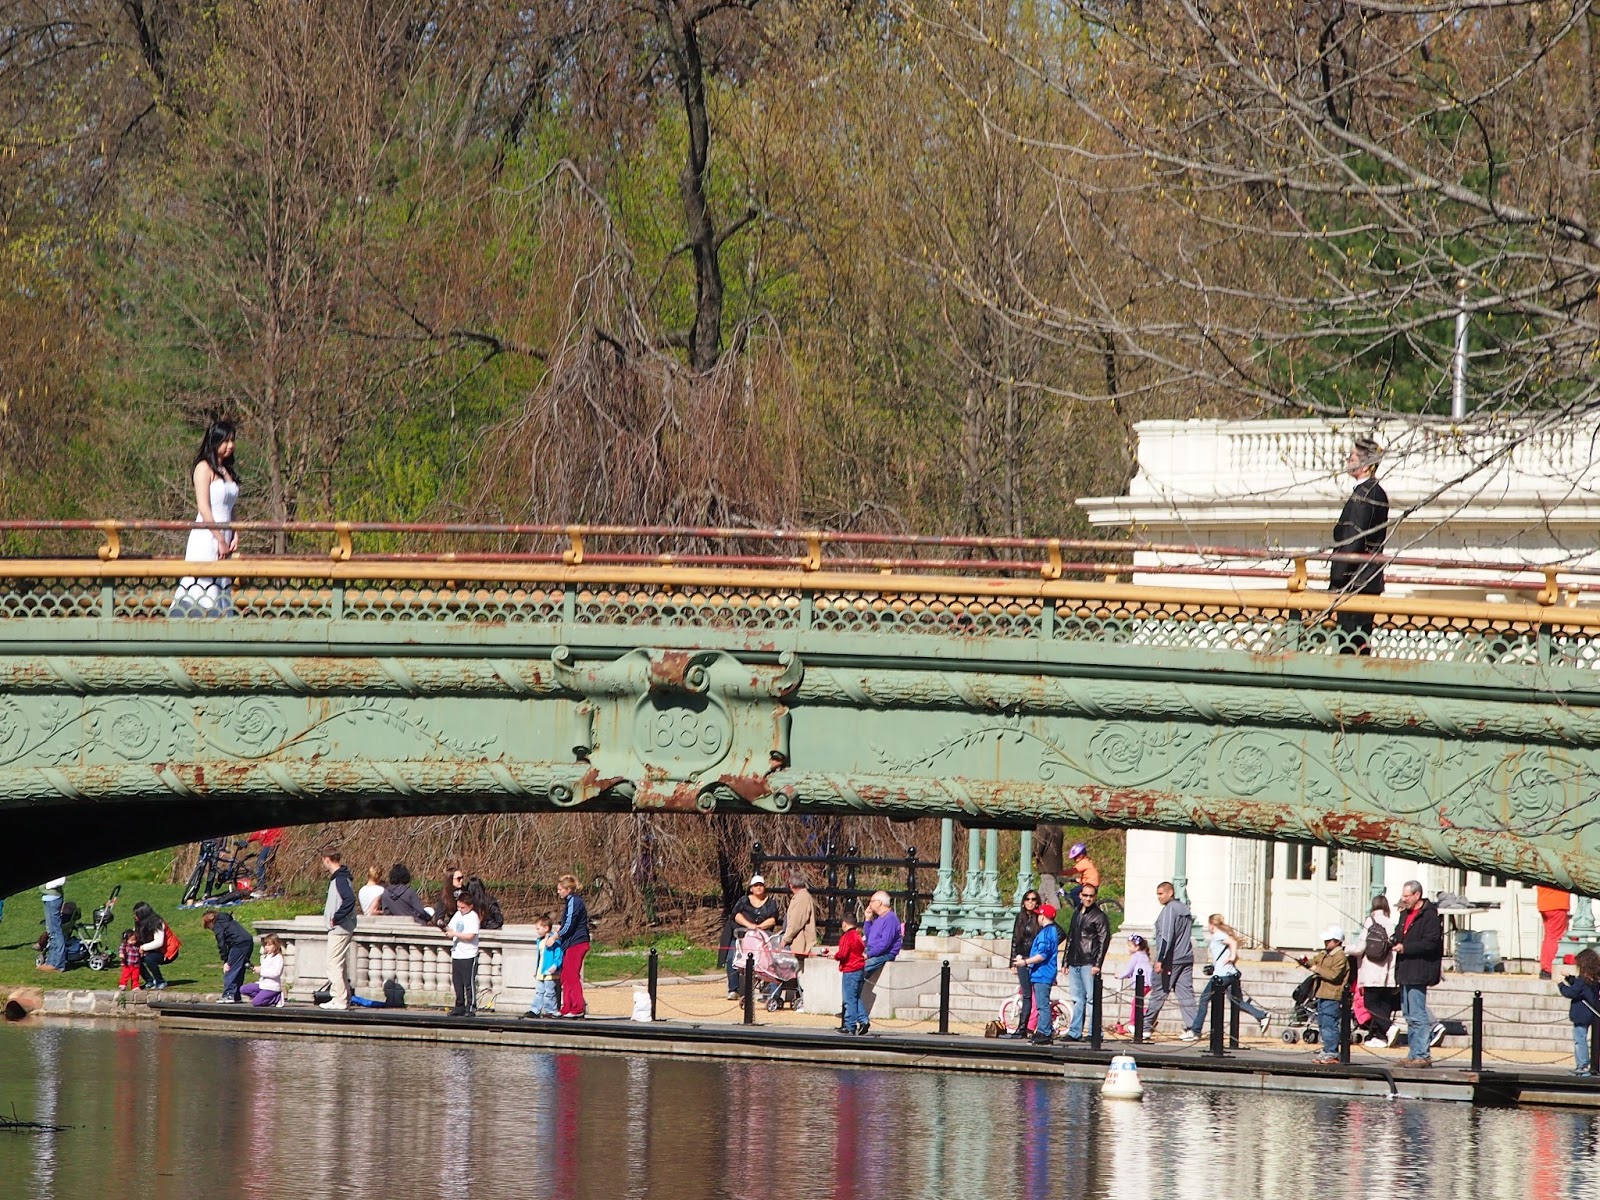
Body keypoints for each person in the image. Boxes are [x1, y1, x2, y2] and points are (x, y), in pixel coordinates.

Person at [171, 417, 241, 618]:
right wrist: (219, 538)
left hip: (225, 535)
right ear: (214, 441)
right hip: (207, 536)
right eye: (225, 441)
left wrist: (234, 534)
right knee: (202, 583)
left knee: (221, 583)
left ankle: (220, 623)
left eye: (232, 441)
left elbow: (231, 507)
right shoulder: (204, 468)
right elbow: (204, 507)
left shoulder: (226, 471)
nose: (230, 446)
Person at [1328, 434, 1388, 656]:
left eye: (1352, 457)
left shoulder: (1365, 496)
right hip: (1365, 580)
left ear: (1365, 464)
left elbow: (1353, 541)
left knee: (1351, 643)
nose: (1348, 460)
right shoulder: (1374, 492)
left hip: (1355, 582)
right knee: (1358, 641)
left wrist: (1337, 580)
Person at [1181, 913, 1271, 1043]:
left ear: (1212, 925)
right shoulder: (1221, 936)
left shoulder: (1219, 935)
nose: (1208, 927)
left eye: (1209, 925)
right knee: (1237, 1002)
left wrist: (1232, 957)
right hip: (1229, 975)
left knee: (1204, 1000)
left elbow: (1233, 943)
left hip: (1221, 976)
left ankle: (1195, 1031)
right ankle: (1261, 1016)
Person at [1391, 880, 1444, 1067]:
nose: (1403, 899)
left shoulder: (1429, 915)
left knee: (1418, 1014)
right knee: (1408, 1014)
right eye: (1403, 896)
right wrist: (1394, 940)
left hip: (1419, 969)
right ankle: (1413, 1053)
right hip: (1404, 969)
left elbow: (1431, 942)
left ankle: (1423, 1054)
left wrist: (1405, 948)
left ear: (1417, 895)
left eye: (1406, 896)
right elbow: (1400, 934)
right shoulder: (1405, 913)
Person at [1142, 881, 1196, 1037]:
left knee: (1159, 992)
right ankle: (1193, 1028)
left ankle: (1145, 1026)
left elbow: (1166, 936)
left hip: (1171, 959)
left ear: (1170, 893)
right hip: (1186, 956)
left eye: (1161, 893)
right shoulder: (1184, 908)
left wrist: (1160, 960)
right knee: (1186, 994)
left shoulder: (1169, 909)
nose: (1159, 897)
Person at [1061, 882, 1111, 1041]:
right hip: (1075, 960)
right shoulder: (1077, 912)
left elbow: (1104, 940)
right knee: (1077, 998)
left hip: (1089, 960)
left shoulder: (1099, 916)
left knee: (1092, 998)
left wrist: (1097, 964)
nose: (1088, 899)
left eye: (1091, 896)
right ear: (1080, 896)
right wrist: (1065, 960)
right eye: (1085, 895)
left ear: (1095, 897)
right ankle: (1075, 1032)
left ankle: (1094, 1032)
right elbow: (1070, 937)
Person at [1299, 926, 1351, 1065]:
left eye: (1328, 940)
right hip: (1321, 993)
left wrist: (1316, 969)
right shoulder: (1324, 954)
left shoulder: (1340, 957)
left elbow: (1333, 975)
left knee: (1330, 1024)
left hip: (1332, 995)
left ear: (1337, 941)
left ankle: (1332, 1052)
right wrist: (1305, 962)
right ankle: (1326, 1049)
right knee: (1322, 1023)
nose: (1325, 942)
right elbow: (1314, 963)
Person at [1013, 902, 1061, 1046]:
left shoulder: (1046, 932)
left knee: (1042, 1005)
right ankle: (1044, 1030)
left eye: (1039, 915)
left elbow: (1042, 955)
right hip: (1042, 973)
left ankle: (1044, 1032)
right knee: (1041, 1003)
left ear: (1043, 917)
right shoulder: (1051, 931)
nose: (1037, 917)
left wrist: (1025, 962)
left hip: (1043, 974)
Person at [726, 874, 780, 999]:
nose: (758, 888)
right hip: (742, 936)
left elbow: (773, 919)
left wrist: (760, 927)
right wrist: (750, 925)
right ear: (751, 888)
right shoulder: (744, 900)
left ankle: (766, 988)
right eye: (756, 885)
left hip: (762, 937)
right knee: (731, 958)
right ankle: (734, 989)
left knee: (767, 960)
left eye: (761, 885)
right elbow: (736, 915)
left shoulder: (771, 903)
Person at [1357, 895, 1400, 1048]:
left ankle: (1389, 1028)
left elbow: (1360, 948)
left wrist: (1346, 949)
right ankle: (1381, 1037)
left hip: (1372, 971)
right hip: (1388, 972)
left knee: (1370, 1003)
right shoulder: (1391, 923)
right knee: (1384, 1004)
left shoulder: (1370, 921)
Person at [320, 851, 358, 1010]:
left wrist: (337, 917)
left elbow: (349, 900)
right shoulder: (343, 877)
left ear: (327, 859)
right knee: (339, 964)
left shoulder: (340, 879)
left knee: (333, 964)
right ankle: (343, 998)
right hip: (343, 927)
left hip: (339, 928)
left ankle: (340, 999)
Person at [1006, 889, 1043, 1038]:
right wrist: (1013, 961)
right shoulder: (1020, 918)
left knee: (1037, 995)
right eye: (1027, 899)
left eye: (1033, 899)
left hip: (1035, 960)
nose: (1030, 902)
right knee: (1026, 994)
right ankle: (1022, 1028)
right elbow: (1015, 940)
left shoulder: (1040, 918)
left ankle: (1035, 1027)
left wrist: (1044, 950)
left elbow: (1058, 933)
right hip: (1022, 960)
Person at [1559, 948, 1600, 1076]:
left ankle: (1582, 1065)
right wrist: (1569, 978)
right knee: (1582, 1038)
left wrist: (1560, 984)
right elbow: (1579, 986)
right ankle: (1585, 1065)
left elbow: (1572, 992)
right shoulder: (1593, 979)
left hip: (1581, 1014)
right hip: (1590, 1014)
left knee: (1579, 1039)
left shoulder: (1583, 981)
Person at [554, 874, 591, 1018]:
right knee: (565, 975)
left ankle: (577, 1007)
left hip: (577, 942)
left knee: (571, 975)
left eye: (560, 889)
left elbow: (568, 925)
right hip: (571, 943)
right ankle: (567, 1006)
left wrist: (556, 936)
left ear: (568, 889)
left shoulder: (574, 902)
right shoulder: (570, 901)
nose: (558, 892)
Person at [827, 910, 868, 1035]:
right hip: (860, 969)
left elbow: (843, 954)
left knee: (849, 999)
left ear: (844, 924)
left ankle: (850, 1025)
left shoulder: (846, 937)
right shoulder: (858, 936)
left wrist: (835, 956)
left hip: (850, 970)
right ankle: (863, 1020)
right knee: (856, 997)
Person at [202, 909, 254, 1003]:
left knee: (230, 969)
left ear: (210, 923)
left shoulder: (218, 924)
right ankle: (236, 995)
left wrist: (225, 960)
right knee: (240, 969)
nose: (211, 929)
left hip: (238, 944)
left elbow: (221, 943)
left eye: (209, 927)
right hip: (247, 942)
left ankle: (229, 994)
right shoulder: (226, 920)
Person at [445, 892, 481, 1017]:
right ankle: (459, 1005)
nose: (460, 910)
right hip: (457, 954)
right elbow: (450, 928)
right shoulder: (457, 915)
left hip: (469, 954)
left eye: (462, 907)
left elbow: (471, 936)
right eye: (458, 907)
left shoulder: (473, 917)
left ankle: (471, 1007)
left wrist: (455, 934)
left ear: (470, 906)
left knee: (469, 983)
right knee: (457, 982)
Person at [522, 915, 564, 1018]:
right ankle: (535, 1010)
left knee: (549, 992)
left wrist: (555, 965)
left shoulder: (554, 941)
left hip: (550, 971)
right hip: (541, 970)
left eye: (538, 928)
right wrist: (537, 970)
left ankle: (551, 1010)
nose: (537, 931)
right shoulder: (540, 941)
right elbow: (540, 957)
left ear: (546, 928)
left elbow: (558, 955)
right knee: (539, 991)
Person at [1113, 934, 1153, 1037]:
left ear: (1137, 947)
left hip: (1142, 983)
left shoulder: (1135, 956)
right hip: (1148, 982)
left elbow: (1129, 970)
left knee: (1135, 1003)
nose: (1129, 948)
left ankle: (1134, 1023)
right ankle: (1144, 1016)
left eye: (1130, 946)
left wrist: (1120, 976)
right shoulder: (1144, 955)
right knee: (1137, 1002)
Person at [862, 891, 903, 979]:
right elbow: (870, 938)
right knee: (853, 965)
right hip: (873, 950)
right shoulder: (880, 918)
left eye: (872, 901)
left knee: (860, 968)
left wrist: (868, 955)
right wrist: (868, 919)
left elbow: (884, 944)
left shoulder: (890, 919)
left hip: (885, 953)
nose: (869, 904)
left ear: (879, 902)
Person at [1537, 886, 1572, 980]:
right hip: (1557, 904)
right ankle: (1548, 969)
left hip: (1545, 903)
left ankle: (1545, 968)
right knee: (1555, 937)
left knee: (1549, 936)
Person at [241, 934, 286, 1007]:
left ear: (276, 945)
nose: (266, 947)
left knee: (256, 1003)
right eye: (265, 945)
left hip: (271, 987)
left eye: (269, 945)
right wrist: (257, 970)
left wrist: (261, 971)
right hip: (262, 984)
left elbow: (276, 973)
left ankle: (276, 998)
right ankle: (263, 996)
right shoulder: (266, 957)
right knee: (243, 989)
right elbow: (264, 970)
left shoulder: (278, 958)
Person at [133, 901, 170, 990]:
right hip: (152, 950)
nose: (135, 917)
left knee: (149, 959)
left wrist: (143, 948)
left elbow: (159, 942)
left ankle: (160, 981)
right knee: (135, 957)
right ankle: (149, 981)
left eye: (137, 914)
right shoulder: (140, 924)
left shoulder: (158, 923)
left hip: (166, 951)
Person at [780, 874, 818, 955]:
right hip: (796, 942)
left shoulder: (802, 899)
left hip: (799, 944)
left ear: (791, 885)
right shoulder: (802, 897)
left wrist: (785, 939)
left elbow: (796, 923)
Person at [39, 876, 67, 972]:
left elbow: (61, 880)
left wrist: (47, 885)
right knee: (51, 932)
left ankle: (58, 964)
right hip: (49, 898)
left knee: (55, 932)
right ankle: (50, 961)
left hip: (53, 899)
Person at [1035, 826, 1064, 910]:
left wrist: (1032, 853)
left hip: (1047, 865)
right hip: (1056, 864)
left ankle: (1058, 913)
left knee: (1050, 892)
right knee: (1041, 893)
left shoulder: (1043, 828)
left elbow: (1039, 846)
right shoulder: (1059, 829)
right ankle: (1038, 911)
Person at [1065, 842, 1100, 911]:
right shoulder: (1087, 861)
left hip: (1091, 884)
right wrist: (1079, 880)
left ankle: (1080, 910)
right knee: (1076, 891)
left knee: (1073, 893)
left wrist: (1059, 872)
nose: (1074, 859)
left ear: (1081, 855)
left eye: (1075, 857)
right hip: (1090, 882)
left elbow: (1072, 871)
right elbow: (1088, 875)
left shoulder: (1083, 862)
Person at [250, 828, 284, 895]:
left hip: (271, 844)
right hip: (269, 844)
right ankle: (280, 888)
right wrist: (247, 840)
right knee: (271, 865)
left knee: (260, 862)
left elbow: (280, 834)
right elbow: (258, 833)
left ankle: (261, 888)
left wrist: (277, 839)